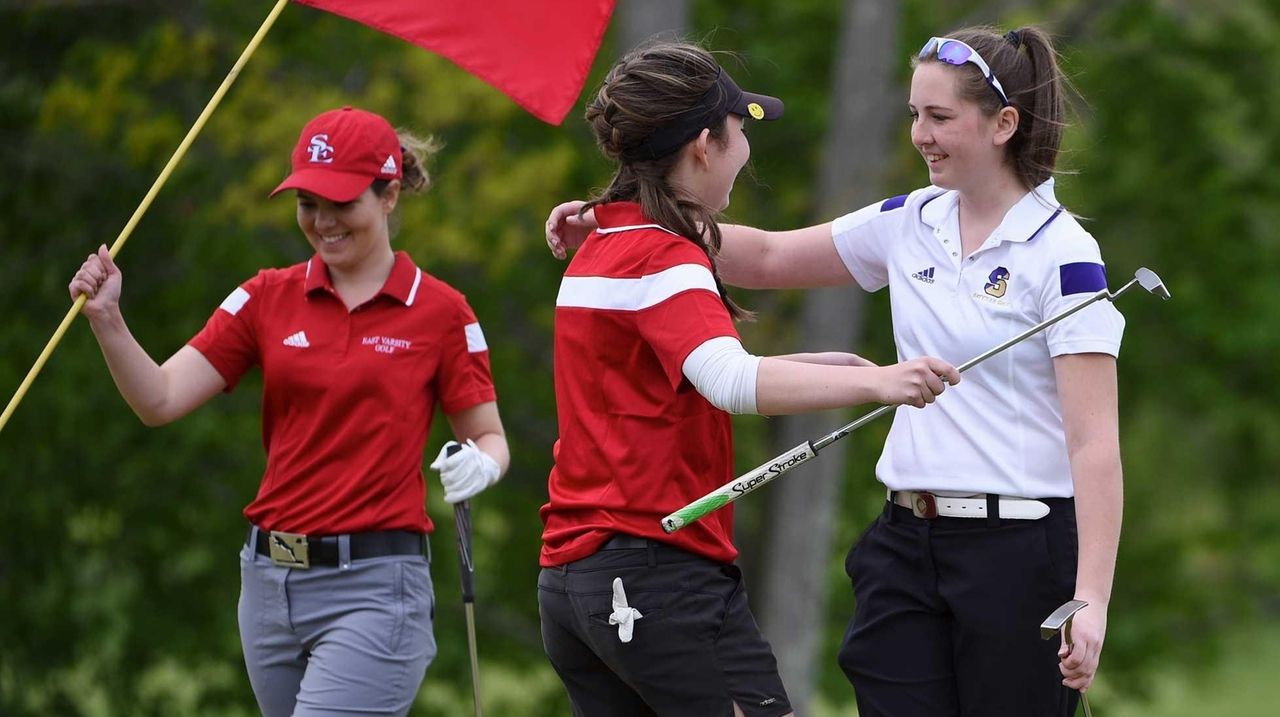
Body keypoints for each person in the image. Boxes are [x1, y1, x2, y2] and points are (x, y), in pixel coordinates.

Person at [545, 26, 1123, 717]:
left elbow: (1095, 445)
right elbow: (765, 259)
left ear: (1003, 124)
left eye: (939, 117)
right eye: (914, 114)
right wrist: (625, 222)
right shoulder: (909, 220)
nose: (921, 134)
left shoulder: (1065, 255)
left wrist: (1090, 600)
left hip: (1021, 551)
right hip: (906, 545)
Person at [536, 41, 960, 717]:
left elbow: (672, 379)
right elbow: (730, 381)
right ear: (704, 144)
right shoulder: (663, 256)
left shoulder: (605, 245)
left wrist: (850, 369)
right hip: (655, 575)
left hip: (573, 583)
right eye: (740, 133)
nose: (745, 152)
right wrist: (881, 386)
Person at [68, 106, 510, 717]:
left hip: (376, 590)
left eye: (341, 203)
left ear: (387, 194)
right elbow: (160, 399)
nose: (323, 221)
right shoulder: (264, 297)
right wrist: (109, 320)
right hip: (267, 585)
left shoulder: (441, 311)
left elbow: (488, 435)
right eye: (308, 202)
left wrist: (480, 466)